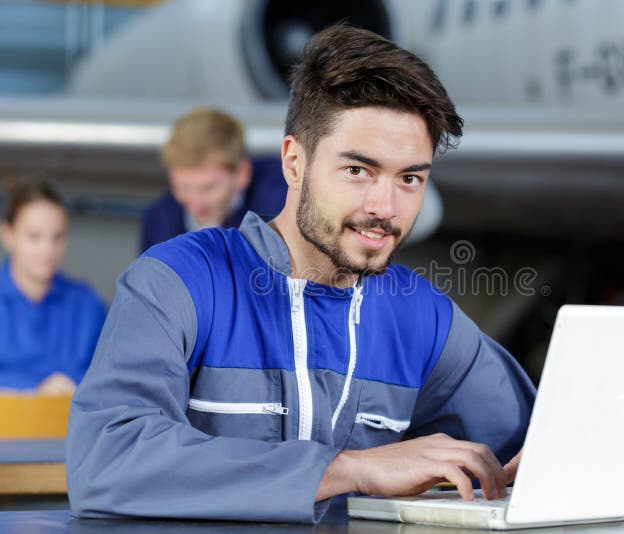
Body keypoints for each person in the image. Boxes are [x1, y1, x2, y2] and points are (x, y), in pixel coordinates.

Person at [67, 25, 536, 523]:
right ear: (294, 161)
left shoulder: (422, 318)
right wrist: (350, 469)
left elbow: (535, 439)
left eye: (410, 179)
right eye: (358, 170)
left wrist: (565, 454)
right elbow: (106, 458)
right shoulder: (176, 280)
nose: (384, 207)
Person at [0, 182, 106, 395]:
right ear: (7, 235)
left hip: (69, 426)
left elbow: (114, 374)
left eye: (57, 237)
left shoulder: (87, 305)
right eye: (34, 236)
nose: (47, 250)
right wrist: (30, 391)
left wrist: (74, 382)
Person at [139, 107, 288, 252]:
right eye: (183, 187)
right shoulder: (159, 219)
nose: (196, 206)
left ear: (242, 174)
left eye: (207, 188)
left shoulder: (282, 198)